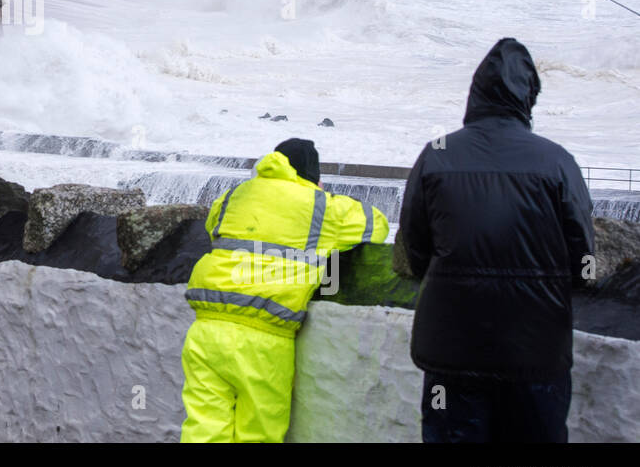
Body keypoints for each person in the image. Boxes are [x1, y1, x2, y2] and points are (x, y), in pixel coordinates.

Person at [400, 38, 594, 443]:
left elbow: (415, 250)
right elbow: (583, 261)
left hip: (450, 350)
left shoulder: (436, 153)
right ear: (528, 97)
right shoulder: (556, 159)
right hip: (535, 350)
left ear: (476, 93)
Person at [180, 138, 389, 442]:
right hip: (262, 340)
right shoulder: (321, 206)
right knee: (258, 432)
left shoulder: (232, 195)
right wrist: (320, 196)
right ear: (313, 176)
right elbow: (377, 225)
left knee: (204, 427)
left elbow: (214, 226)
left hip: (205, 331)